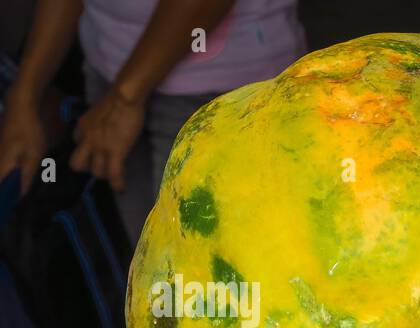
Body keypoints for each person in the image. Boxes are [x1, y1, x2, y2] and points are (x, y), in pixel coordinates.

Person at [0, 0, 305, 242]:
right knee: (144, 265)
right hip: (110, 72)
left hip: (224, 89)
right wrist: (24, 96)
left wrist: (123, 100)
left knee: (217, 281)